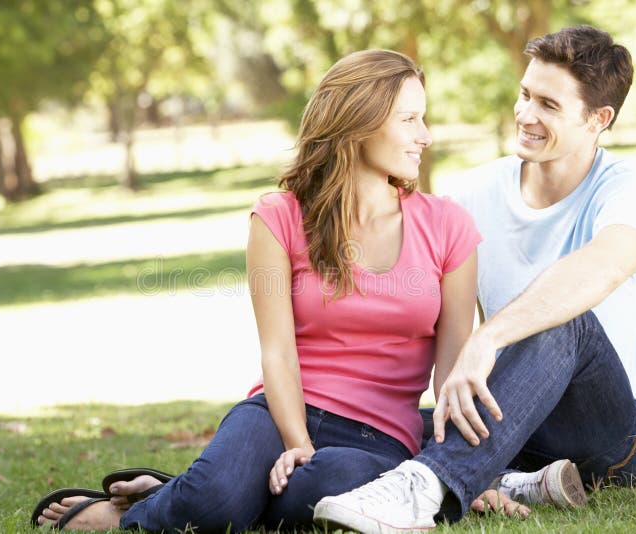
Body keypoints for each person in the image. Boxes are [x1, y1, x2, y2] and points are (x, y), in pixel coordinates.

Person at [31, 49, 483, 531]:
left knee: (310, 494)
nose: (425, 135)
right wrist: (297, 442)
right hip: (278, 413)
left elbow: (452, 375)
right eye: (409, 119)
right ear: (357, 122)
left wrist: (467, 473)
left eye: (424, 118)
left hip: (378, 439)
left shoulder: (448, 226)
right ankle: (139, 510)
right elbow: (278, 353)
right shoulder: (279, 216)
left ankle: (182, 488)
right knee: (217, 505)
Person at [314, 24, 636, 532]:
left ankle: (425, 487)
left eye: (549, 105)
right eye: (525, 94)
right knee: (365, 422)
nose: (526, 115)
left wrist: (491, 337)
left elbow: (604, 264)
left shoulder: (630, 189)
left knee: (562, 321)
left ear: (598, 119)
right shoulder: (473, 192)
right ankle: (508, 478)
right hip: (519, 415)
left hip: (618, 435)